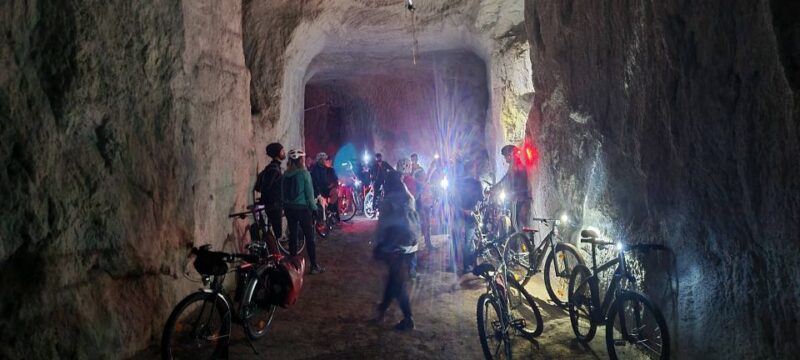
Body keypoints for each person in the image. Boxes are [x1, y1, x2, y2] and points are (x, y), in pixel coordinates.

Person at [373, 171, 420, 331]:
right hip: (411, 245)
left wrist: (379, 245)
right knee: (394, 279)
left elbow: (384, 225)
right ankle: (382, 309)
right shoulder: (409, 197)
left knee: (397, 283)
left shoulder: (388, 201)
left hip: (395, 247)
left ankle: (408, 318)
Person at [282, 149, 325, 274]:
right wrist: (314, 209)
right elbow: (309, 194)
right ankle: (314, 266)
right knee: (309, 238)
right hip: (302, 209)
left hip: (290, 210)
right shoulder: (304, 174)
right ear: (301, 160)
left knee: (293, 236)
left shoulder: (285, 174)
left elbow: (283, 193)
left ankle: (293, 266)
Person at [253, 142, 285, 252]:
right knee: (276, 234)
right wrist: (267, 200)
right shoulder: (274, 169)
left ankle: (274, 253)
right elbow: (266, 188)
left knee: (272, 232)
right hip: (274, 205)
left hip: (272, 204)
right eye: (282, 151)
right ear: (277, 153)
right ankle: (276, 256)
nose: (283, 152)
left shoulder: (272, 167)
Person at [450, 176, 484, 274]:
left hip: (458, 215)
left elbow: (452, 199)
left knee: (455, 239)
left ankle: (453, 265)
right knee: (468, 242)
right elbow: (482, 198)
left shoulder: (458, 183)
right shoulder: (478, 184)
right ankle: (467, 266)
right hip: (470, 215)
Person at [494, 145, 531, 230]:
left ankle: (517, 241)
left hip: (516, 199)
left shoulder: (514, 165)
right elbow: (505, 178)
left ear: (510, 154)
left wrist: (510, 194)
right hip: (519, 199)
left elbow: (510, 180)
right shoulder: (516, 164)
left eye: (505, 156)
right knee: (517, 223)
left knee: (515, 224)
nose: (505, 159)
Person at [310, 152, 339, 220]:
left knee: (335, 192)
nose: (324, 161)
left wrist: (331, 184)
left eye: (325, 159)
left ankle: (329, 209)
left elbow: (331, 177)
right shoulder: (315, 170)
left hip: (326, 188)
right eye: (323, 159)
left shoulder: (326, 168)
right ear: (320, 160)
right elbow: (315, 182)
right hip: (318, 190)